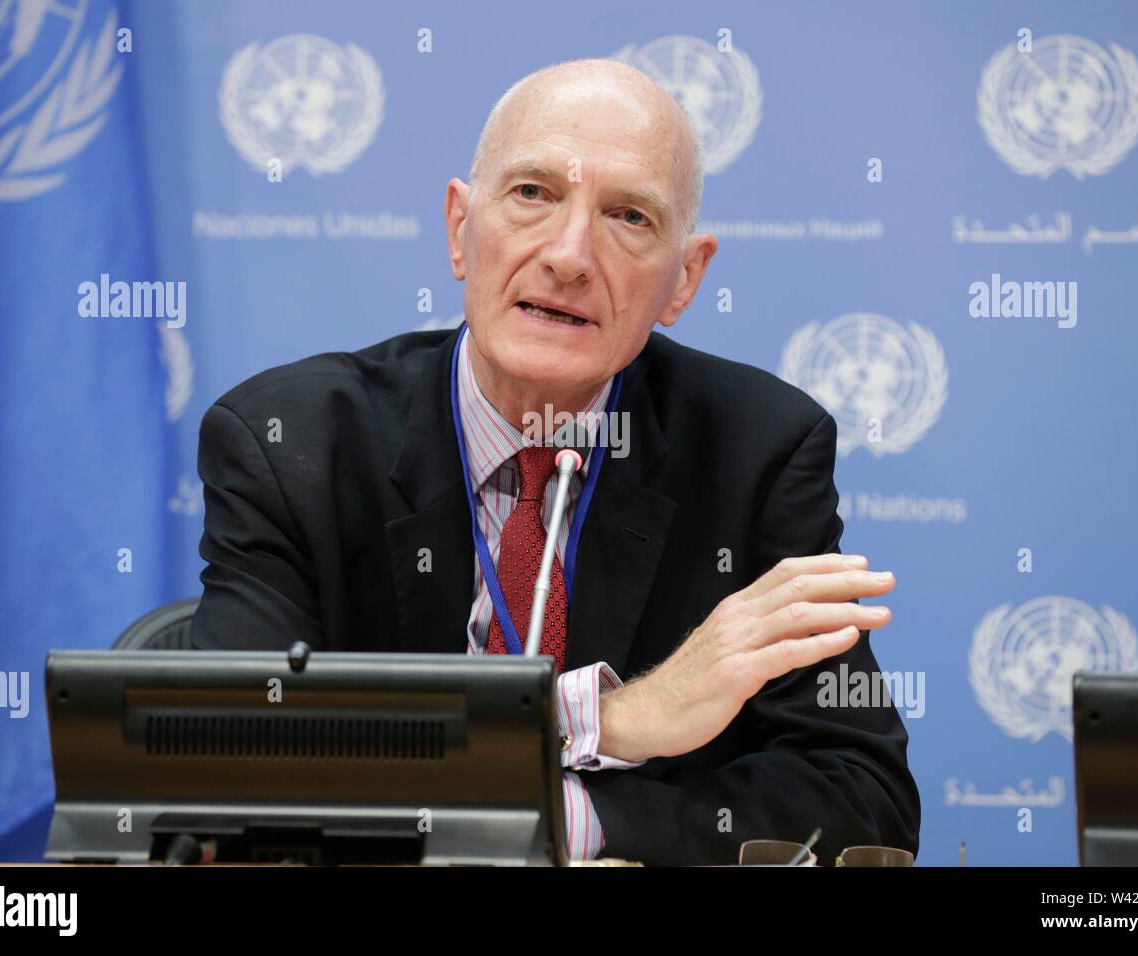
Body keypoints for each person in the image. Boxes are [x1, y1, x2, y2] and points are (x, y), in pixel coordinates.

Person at [189, 58, 920, 866]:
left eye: (629, 216)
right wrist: (608, 722)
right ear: (460, 228)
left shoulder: (756, 452)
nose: (569, 255)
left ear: (685, 278)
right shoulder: (293, 442)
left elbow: (864, 800)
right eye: (532, 194)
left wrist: (573, 821)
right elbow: (229, 763)